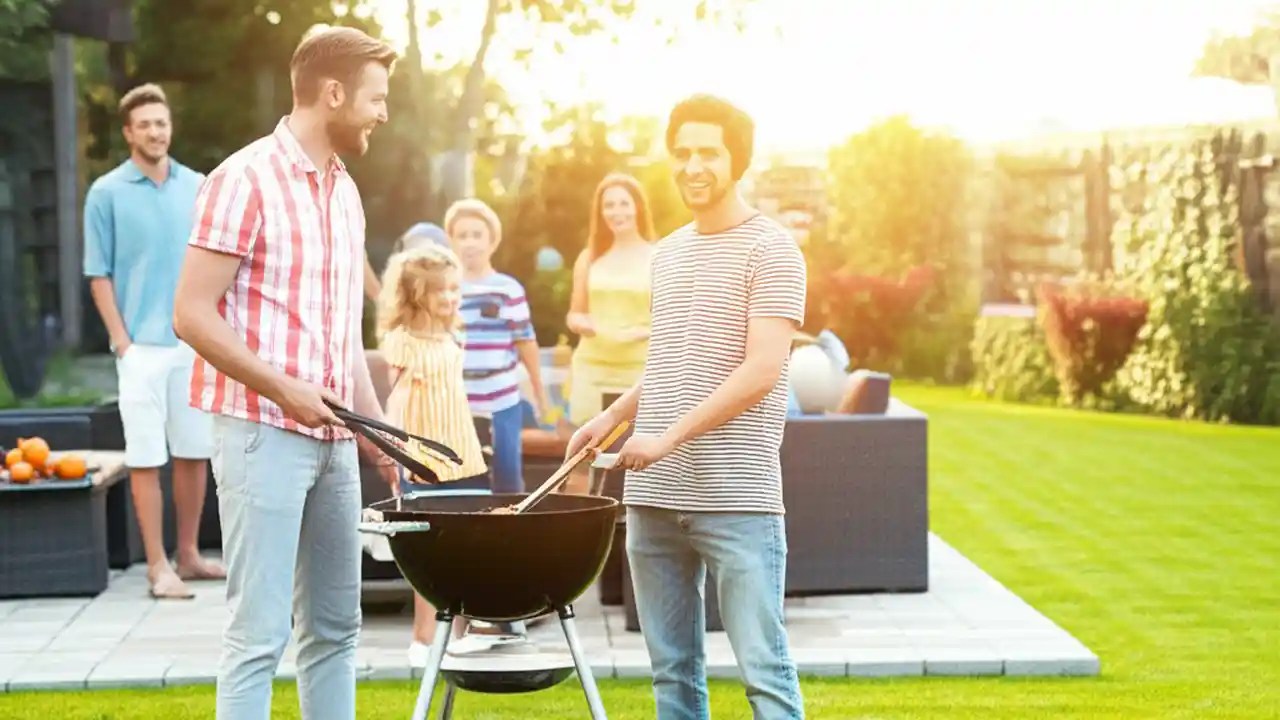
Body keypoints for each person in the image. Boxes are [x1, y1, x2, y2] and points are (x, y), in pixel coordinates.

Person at [171, 27, 401, 720]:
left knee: (335, 630)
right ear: (332, 93)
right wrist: (283, 389)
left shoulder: (345, 191)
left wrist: (381, 434)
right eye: (375, 98)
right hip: (260, 433)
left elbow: (341, 338)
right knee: (258, 635)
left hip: (332, 445)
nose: (383, 114)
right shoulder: (243, 179)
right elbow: (190, 313)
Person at [566, 94, 807, 719]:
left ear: (737, 159)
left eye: (708, 152)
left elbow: (761, 371)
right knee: (672, 677)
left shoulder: (773, 249)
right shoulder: (667, 254)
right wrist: (610, 418)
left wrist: (666, 438)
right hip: (654, 499)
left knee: (766, 674)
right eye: (682, 153)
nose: (693, 165)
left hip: (737, 498)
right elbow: (669, 366)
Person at [83, 82, 223, 601]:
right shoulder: (106, 193)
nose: (155, 131)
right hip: (140, 350)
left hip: (193, 342)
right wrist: (122, 342)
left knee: (193, 452)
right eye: (145, 124)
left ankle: (187, 556)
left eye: (161, 122)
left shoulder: (199, 185)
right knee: (146, 456)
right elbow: (98, 274)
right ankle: (156, 567)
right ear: (128, 132)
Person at [374, 243, 490, 667]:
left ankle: (458, 633)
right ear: (416, 294)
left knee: (462, 546)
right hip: (425, 458)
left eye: (455, 289)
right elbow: (398, 401)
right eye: (441, 290)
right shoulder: (402, 342)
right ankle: (423, 640)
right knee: (429, 550)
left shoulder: (449, 335)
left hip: (461, 452)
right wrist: (398, 455)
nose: (451, 298)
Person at [445, 198, 548, 496]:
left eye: (477, 235)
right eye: (462, 236)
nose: (470, 243)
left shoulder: (508, 289)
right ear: (451, 241)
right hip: (457, 404)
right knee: (462, 484)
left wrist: (540, 394)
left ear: (492, 242)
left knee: (506, 483)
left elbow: (525, 341)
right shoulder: (444, 289)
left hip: (502, 401)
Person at [562, 173, 656, 493]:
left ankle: (628, 531)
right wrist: (582, 324)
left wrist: (644, 330)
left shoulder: (657, 256)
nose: (617, 212)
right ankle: (577, 528)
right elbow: (574, 313)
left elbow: (670, 318)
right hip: (592, 367)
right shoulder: (589, 258)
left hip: (637, 371)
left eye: (624, 204)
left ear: (638, 208)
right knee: (581, 458)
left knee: (634, 457)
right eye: (609, 205)